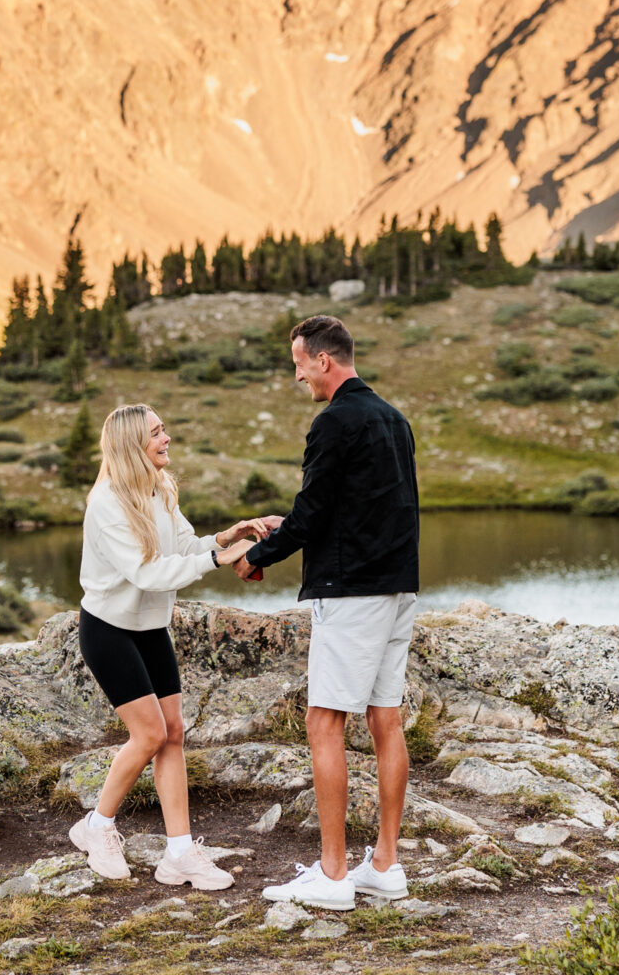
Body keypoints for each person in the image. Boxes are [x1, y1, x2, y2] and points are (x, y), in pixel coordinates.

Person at [235, 315, 420, 911]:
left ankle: (335, 874)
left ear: (323, 360)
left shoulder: (334, 421)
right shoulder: (394, 419)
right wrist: (284, 527)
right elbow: (347, 510)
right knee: (385, 719)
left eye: (299, 364)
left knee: (324, 723)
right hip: (398, 588)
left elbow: (313, 514)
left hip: (351, 594)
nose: (297, 376)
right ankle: (386, 865)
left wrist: (257, 556)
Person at [67, 402, 266, 890]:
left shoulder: (159, 488)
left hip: (150, 626)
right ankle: (97, 826)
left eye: (164, 429)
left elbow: (181, 549)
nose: (166, 438)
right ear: (133, 443)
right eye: (156, 433)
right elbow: (146, 572)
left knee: (173, 731)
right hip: (109, 629)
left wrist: (227, 535)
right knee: (150, 735)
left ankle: (179, 853)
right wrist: (221, 559)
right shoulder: (108, 502)